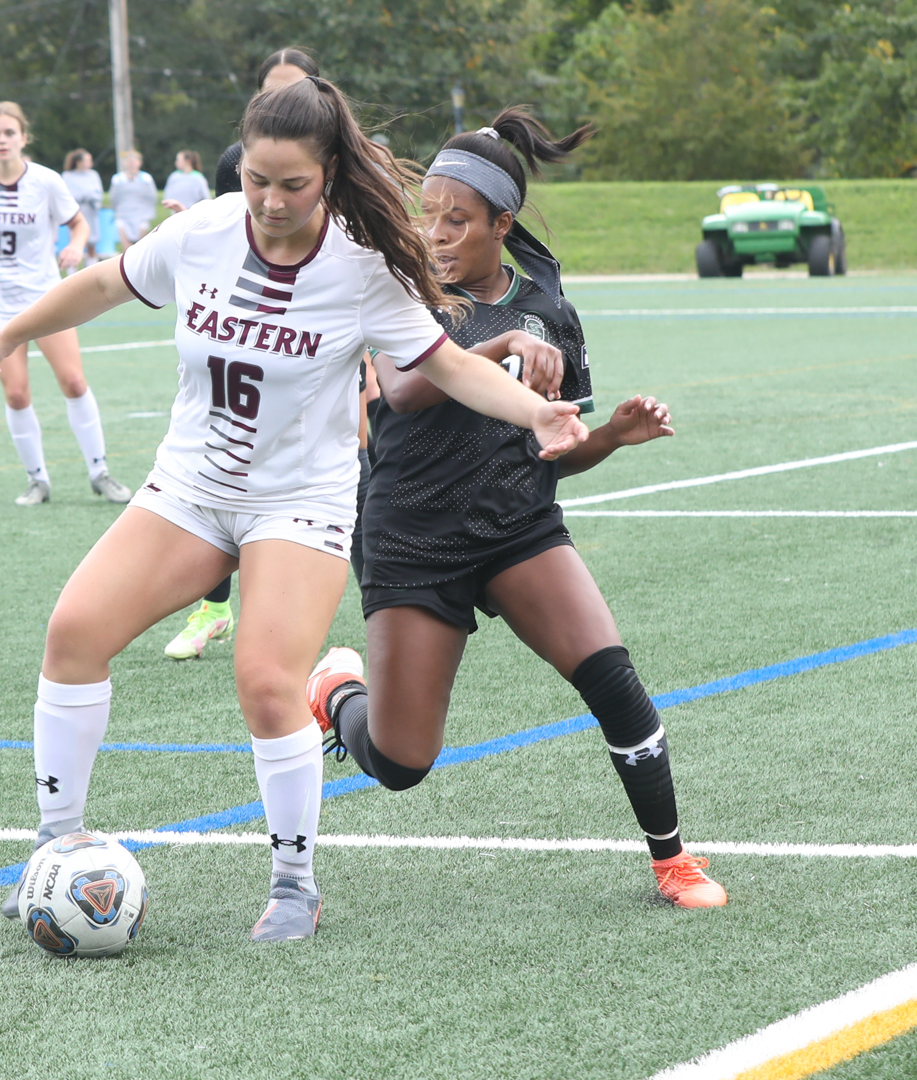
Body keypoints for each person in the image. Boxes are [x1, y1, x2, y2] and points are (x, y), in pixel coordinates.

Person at [0, 76, 588, 942]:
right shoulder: (204, 231)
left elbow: (448, 365)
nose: (271, 199)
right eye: (258, 178)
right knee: (73, 632)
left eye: (292, 184)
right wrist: (9, 336)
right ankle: (53, 845)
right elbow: (104, 285)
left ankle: (294, 884)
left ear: (327, 176)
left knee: (265, 683)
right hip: (191, 489)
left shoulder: (362, 270)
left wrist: (539, 411)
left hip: (299, 504)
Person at [303, 108, 725, 909]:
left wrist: (612, 437)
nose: (434, 232)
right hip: (413, 535)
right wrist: (495, 347)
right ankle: (339, 692)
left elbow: (559, 454)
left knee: (613, 676)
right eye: (427, 213)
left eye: (456, 219)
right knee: (400, 763)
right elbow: (402, 388)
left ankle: (673, 863)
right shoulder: (405, 287)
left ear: (502, 224)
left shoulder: (551, 310)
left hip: (516, 525)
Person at [171, 46, 317, 662]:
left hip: (326, 347)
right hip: (248, 336)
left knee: (360, 463)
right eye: (271, 91)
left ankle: (380, 594)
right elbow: (235, 234)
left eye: (296, 89)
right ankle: (214, 607)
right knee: (220, 454)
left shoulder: (340, 167)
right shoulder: (238, 164)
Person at [0, 101, 130, 507]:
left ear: (24, 138)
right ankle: (37, 480)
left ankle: (100, 472)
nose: (3, 140)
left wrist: (76, 247)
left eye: (10, 133)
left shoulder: (45, 180)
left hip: (47, 299)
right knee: (17, 395)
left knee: (74, 382)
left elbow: (78, 224)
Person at [215, 47, 319, 196]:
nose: (283, 103)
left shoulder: (346, 157)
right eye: (258, 180)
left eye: (296, 92)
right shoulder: (233, 159)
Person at [60, 149, 104, 269]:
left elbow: (98, 193)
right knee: (75, 241)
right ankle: (72, 270)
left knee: (92, 243)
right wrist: (82, 196)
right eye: (87, 160)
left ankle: (92, 268)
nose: (90, 163)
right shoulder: (67, 176)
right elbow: (66, 195)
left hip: (91, 212)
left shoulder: (93, 175)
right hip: (77, 213)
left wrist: (91, 197)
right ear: (79, 162)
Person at [107, 150, 157, 249]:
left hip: (142, 216)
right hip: (123, 215)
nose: (132, 164)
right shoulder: (117, 179)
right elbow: (114, 198)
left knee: (140, 247)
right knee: (126, 248)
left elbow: (151, 198)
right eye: (129, 162)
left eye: (134, 162)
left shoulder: (146, 178)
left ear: (139, 163)